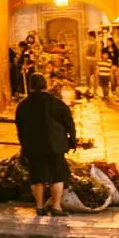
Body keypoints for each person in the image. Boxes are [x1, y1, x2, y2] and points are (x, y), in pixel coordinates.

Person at [14, 73, 76, 216]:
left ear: (30, 87)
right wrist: (72, 140)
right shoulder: (56, 103)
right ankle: (56, 207)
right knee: (57, 176)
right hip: (55, 145)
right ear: (45, 86)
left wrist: (24, 145)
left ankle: (40, 207)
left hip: (34, 146)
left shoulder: (23, 106)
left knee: (37, 177)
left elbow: (20, 128)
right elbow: (69, 123)